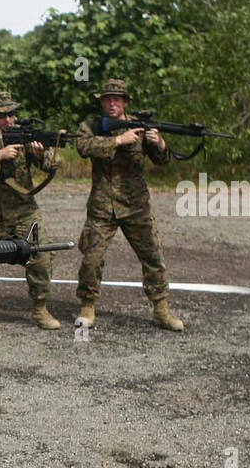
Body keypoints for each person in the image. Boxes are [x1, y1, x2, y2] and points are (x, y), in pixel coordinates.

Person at [73, 78, 183, 331]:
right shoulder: (92, 124)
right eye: (107, 99)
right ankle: (87, 305)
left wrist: (159, 143)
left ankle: (161, 308)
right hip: (102, 206)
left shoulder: (140, 126)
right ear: (101, 102)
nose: (111, 103)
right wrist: (118, 141)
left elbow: (162, 161)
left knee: (153, 258)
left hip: (135, 206)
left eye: (116, 99)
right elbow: (82, 146)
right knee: (92, 259)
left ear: (124, 102)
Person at [0, 90, 62, 332]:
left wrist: (41, 154)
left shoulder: (24, 134)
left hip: (24, 209)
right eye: (1, 115)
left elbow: (54, 163)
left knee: (41, 256)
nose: (8, 120)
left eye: (11, 114)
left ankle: (40, 308)